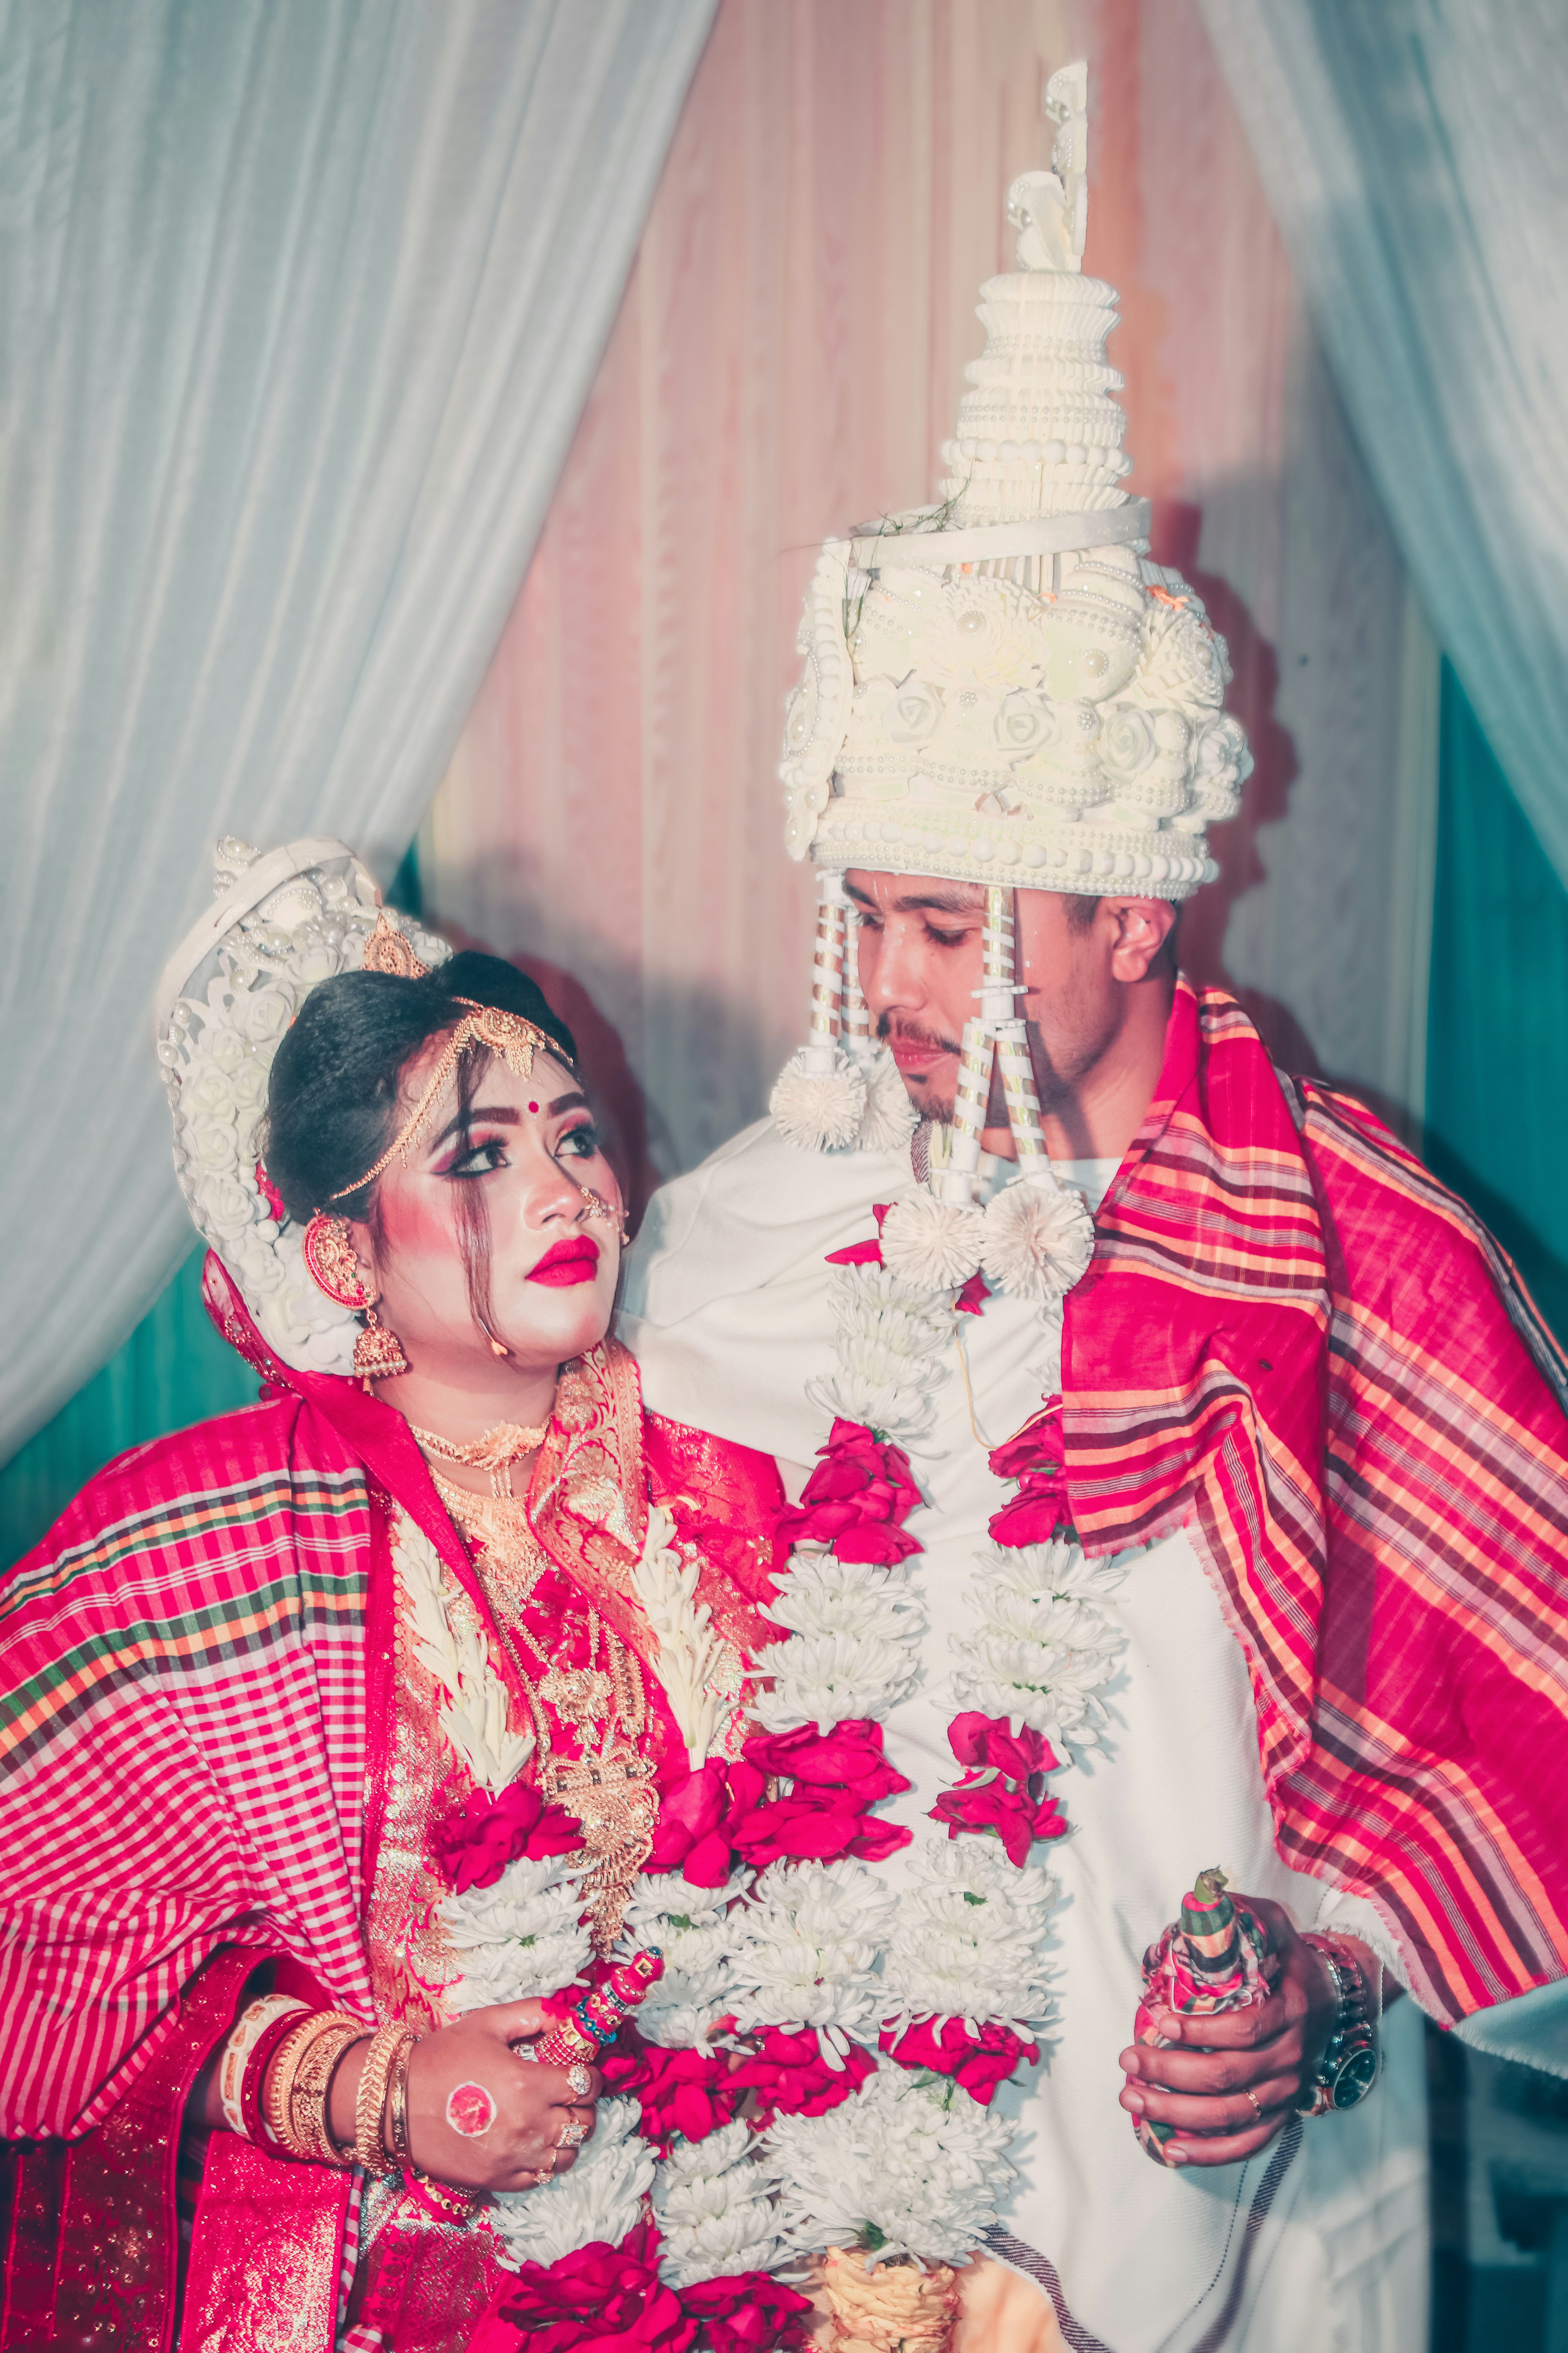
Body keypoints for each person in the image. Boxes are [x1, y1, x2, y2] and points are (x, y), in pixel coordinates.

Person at [620, 67, 1568, 2353]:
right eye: (871, 925)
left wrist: (1316, 1995)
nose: (899, 995)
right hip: (804, 2198)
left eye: (955, 929)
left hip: (1228, 2211)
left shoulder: (1365, 1266)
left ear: (1137, 915)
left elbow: (1517, 1757)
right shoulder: (756, 1226)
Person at [0, 842, 785, 2351]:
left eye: (575, 1134)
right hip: (391, 2295)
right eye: (479, 1157)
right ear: (346, 1253)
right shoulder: (207, 1542)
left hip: (744, 2263)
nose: (563, 1188)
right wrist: (365, 2088)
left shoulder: (734, 1498)